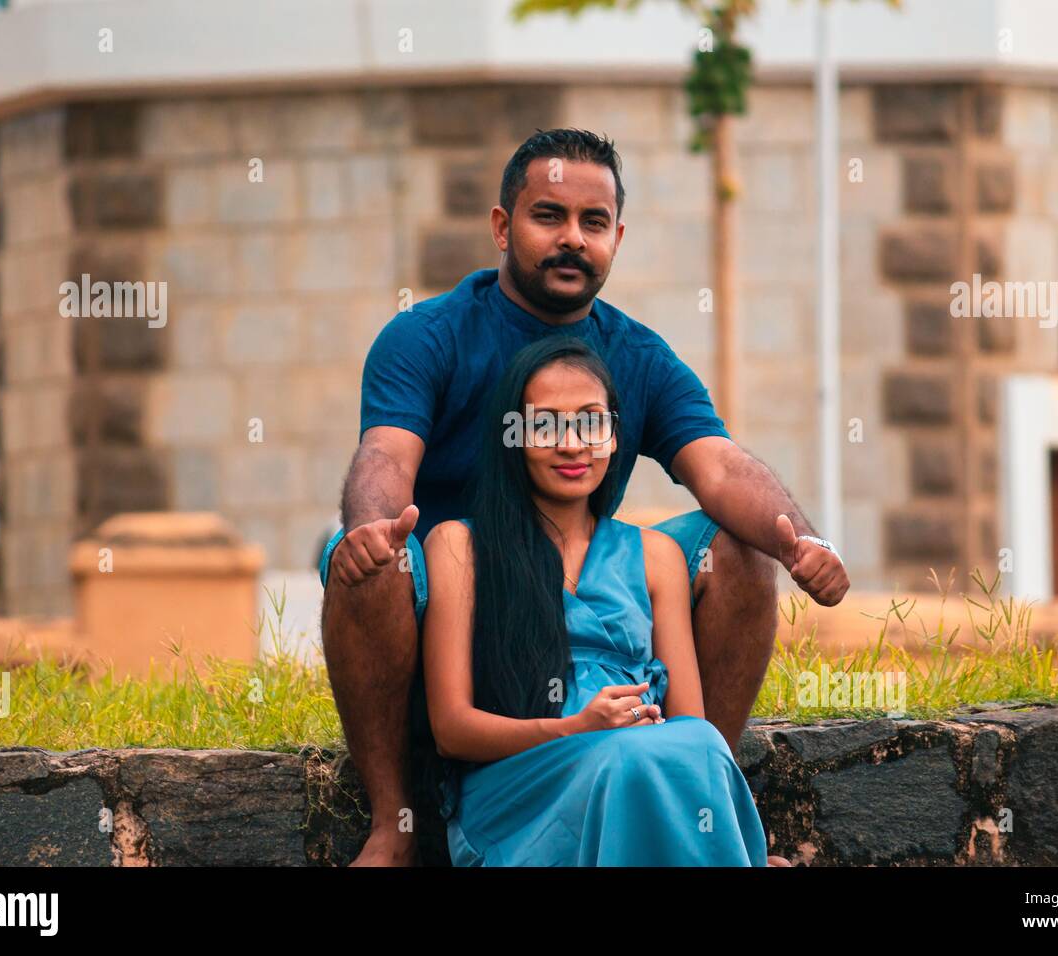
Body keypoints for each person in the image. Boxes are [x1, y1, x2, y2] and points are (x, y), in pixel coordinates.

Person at [319, 128, 849, 866]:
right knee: (378, 558)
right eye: (549, 216)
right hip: (450, 588)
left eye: (593, 222)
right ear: (502, 226)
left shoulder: (639, 356)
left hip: (581, 580)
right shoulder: (429, 335)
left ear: (616, 238)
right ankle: (393, 822)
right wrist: (373, 528)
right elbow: (385, 453)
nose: (572, 238)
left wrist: (803, 542)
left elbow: (724, 469)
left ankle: (698, 799)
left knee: (742, 546)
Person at [423, 337, 768, 865]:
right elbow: (451, 729)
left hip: (634, 762)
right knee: (625, 759)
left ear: (614, 435)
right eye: (545, 425)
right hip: (520, 785)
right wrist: (576, 728)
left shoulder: (656, 556)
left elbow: (690, 725)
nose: (572, 444)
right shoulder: (460, 546)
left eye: (591, 422)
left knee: (697, 745)